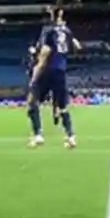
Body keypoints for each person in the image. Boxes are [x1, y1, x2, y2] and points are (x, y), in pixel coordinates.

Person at [27, 8, 81, 149]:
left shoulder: (49, 30)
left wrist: (36, 72)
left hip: (47, 70)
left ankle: (38, 135)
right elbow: (77, 46)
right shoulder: (67, 31)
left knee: (32, 101)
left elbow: (45, 52)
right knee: (63, 106)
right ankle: (71, 136)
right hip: (61, 71)